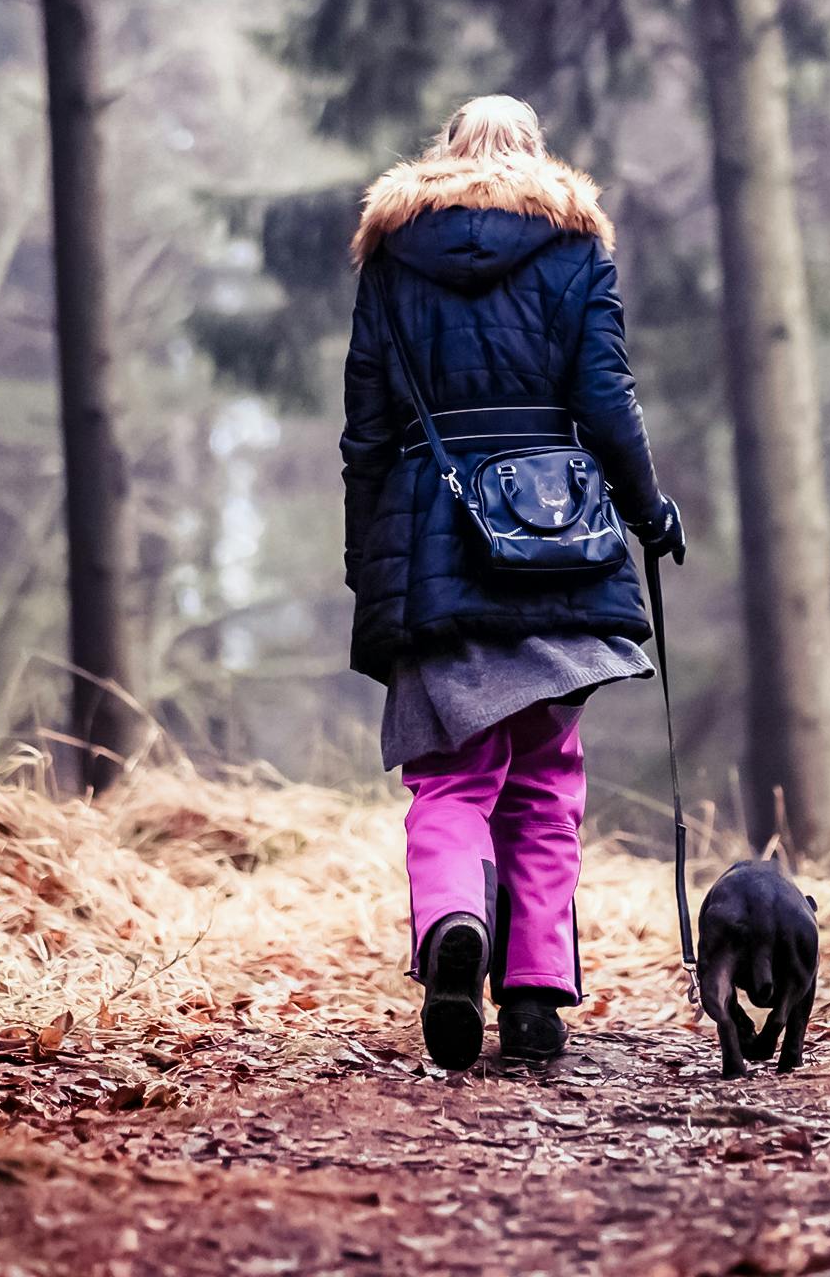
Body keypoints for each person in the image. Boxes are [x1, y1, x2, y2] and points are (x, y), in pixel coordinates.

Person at [341, 94, 686, 1071]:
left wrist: (369, 556)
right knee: (546, 773)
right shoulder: (574, 250)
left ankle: (454, 921)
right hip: (556, 538)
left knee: (450, 773)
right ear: (533, 154)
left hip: (429, 533)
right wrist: (651, 511)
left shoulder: (391, 259)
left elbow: (365, 430)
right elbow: (605, 399)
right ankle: (534, 996)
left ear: (446, 154)